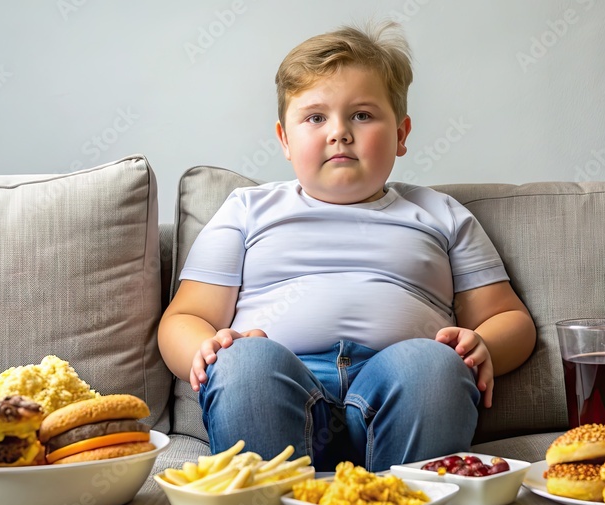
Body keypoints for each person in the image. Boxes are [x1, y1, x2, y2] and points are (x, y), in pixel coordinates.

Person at [158, 21, 535, 472]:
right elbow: (185, 317)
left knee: (433, 363)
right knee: (243, 360)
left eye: (362, 114)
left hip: (400, 391)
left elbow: (509, 318)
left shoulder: (440, 213)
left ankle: (406, 501)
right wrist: (208, 346)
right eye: (315, 117)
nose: (339, 132)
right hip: (282, 389)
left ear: (401, 133)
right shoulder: (247, 210)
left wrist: (484, 344)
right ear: (284, 139)